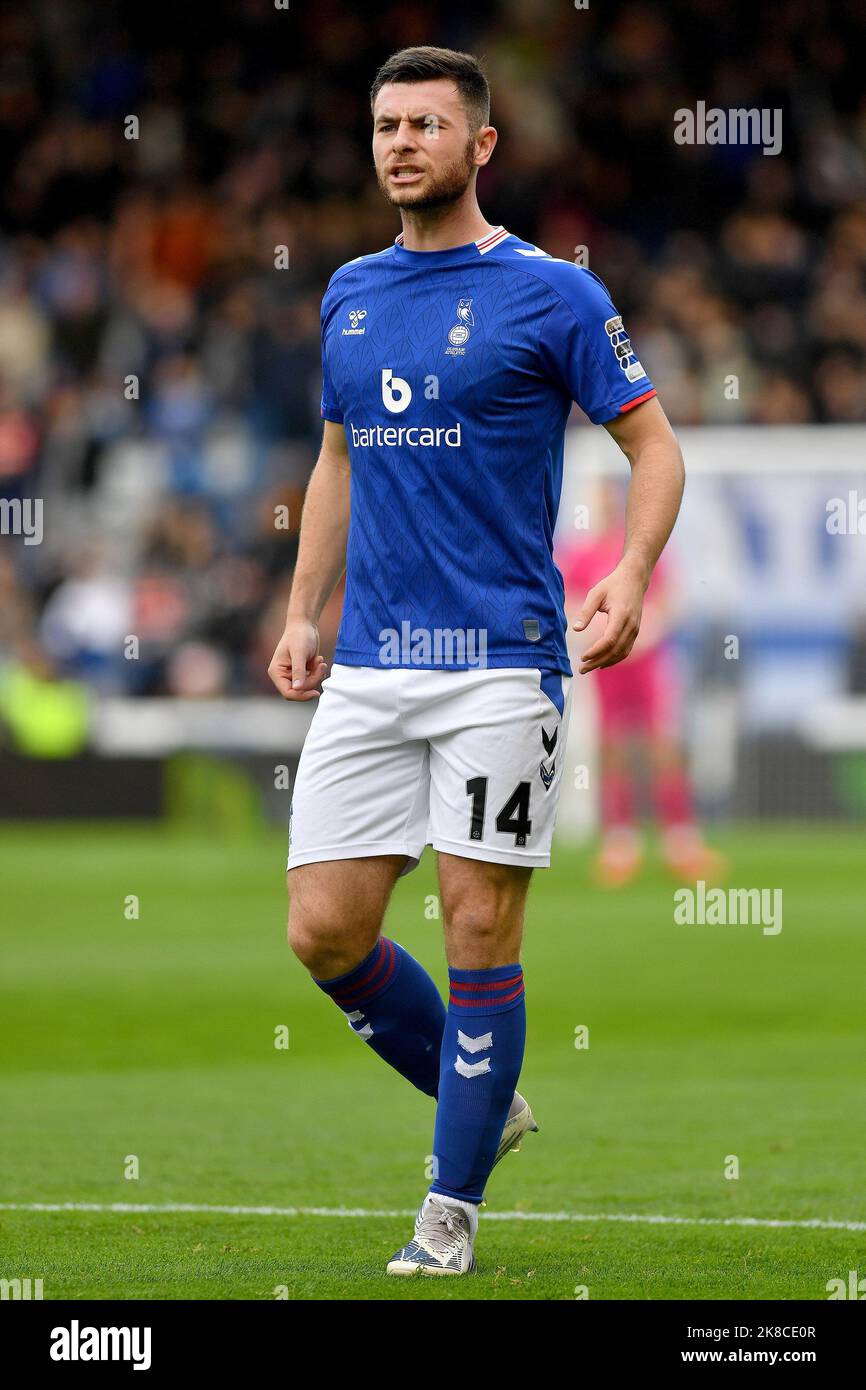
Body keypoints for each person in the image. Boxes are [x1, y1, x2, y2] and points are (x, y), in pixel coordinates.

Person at [267, 46, 684, 1276]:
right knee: (322, 931)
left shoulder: (552, 294)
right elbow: (337, 462)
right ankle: (483, 1100)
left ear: (480, 145)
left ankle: (446, 1216)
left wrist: (626, 573)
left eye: (426, 125)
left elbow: (653, 451)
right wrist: (303, 612)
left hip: (501, 663)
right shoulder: (346, 290)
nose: (400, 143)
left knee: (475, 927)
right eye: (386, 124)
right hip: (371, 664)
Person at [559, 481, 726, 886]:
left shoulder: (638, 553)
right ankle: (621, 845)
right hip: (605, 663)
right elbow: (566, 600)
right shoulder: (578, 554)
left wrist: (645, 632)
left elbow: (669, 600)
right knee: (612, 746)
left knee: (662, 746)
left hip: (649, 661)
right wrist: (593, 631)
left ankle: (680, 842)